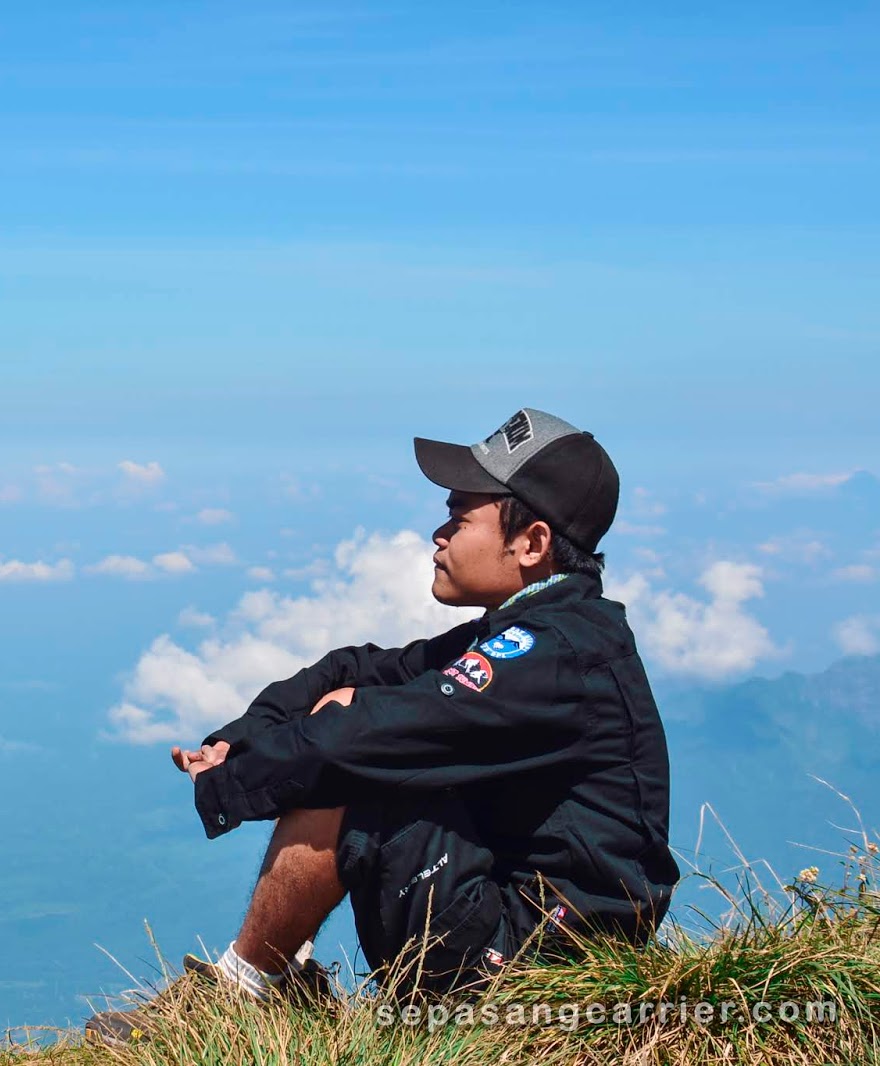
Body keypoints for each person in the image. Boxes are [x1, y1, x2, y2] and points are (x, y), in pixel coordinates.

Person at [86, 408, 680, 1044]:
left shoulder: (555, 654)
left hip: (543, 971)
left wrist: (228, 783)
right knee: (351, 715)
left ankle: (239, 998)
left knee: (354, 757)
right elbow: (360, 668)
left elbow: (352, 736)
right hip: (529, 935)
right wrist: (238, 740)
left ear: (531, 543)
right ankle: (279, 982)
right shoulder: (537, 631)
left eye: (461, 516)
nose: (439, 532)